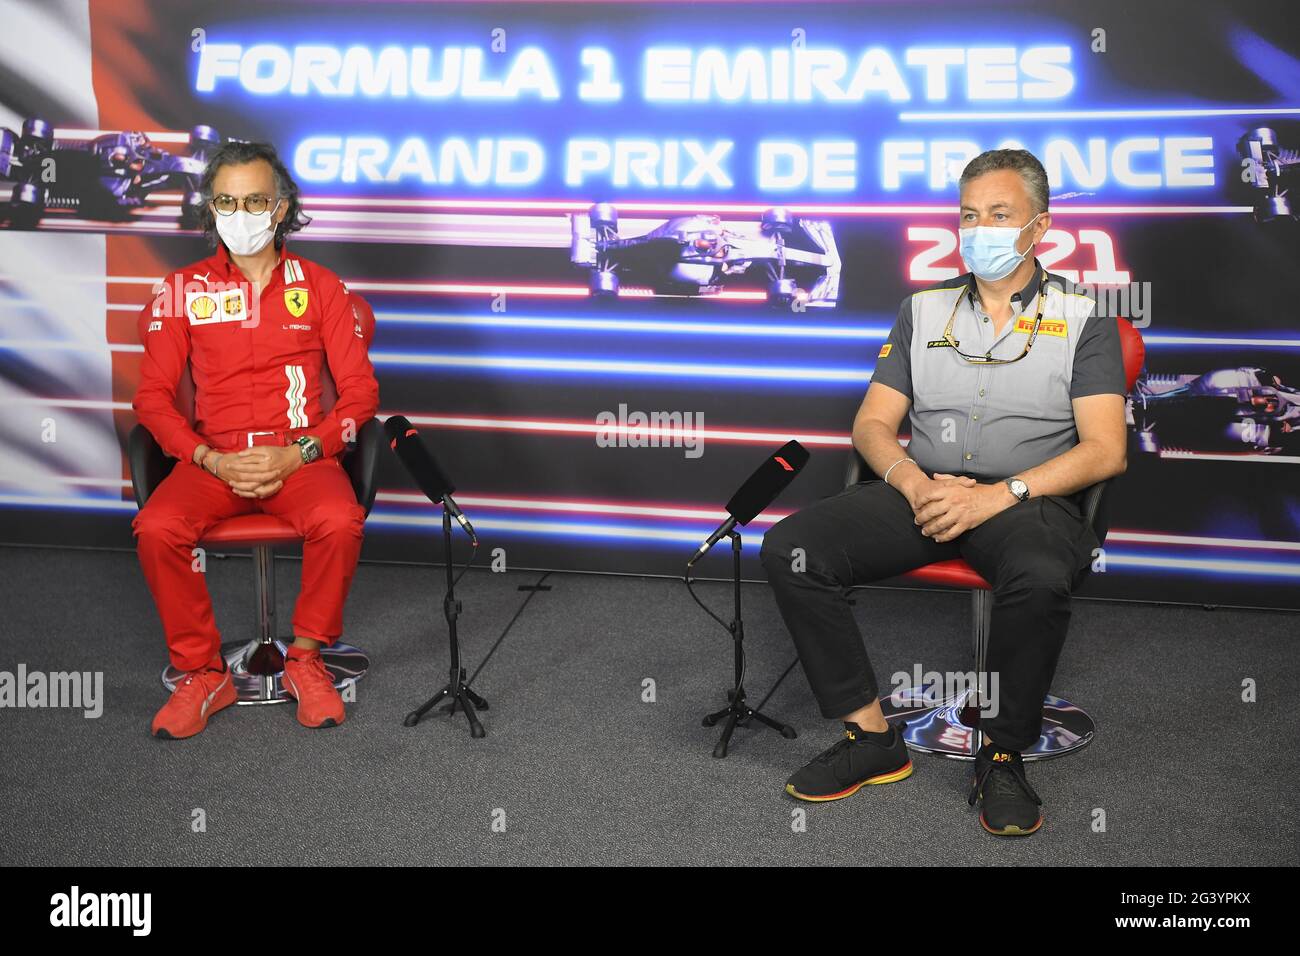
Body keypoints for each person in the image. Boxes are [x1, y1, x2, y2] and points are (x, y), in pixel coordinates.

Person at [760, 149, 1128, 836]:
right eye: (968, 214)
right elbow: (872, 423)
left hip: (1025, 502)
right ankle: (872, 740)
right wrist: (910, 478)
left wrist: (1001, 494)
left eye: (999, 214)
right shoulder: (921, 310)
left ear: (1039, 226)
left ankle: (1002, 754)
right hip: (923, 490)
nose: (979, 227)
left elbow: (1106, 449)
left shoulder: (1086, 319)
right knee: (792, 549)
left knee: (1042, 575)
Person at [132, 141, 379, 738]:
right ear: (210, 208)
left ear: (280, 206)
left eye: (254, 200)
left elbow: (360, 395)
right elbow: (152, 400)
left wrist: (300, 451)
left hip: (299, 456)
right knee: (158, 527)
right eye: (226, 200)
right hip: (213, 460)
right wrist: (207, 456)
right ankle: (201, 672)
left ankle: (305, 658)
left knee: (340, 518)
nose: (239, 213)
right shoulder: (181, 289)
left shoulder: (322, 287)